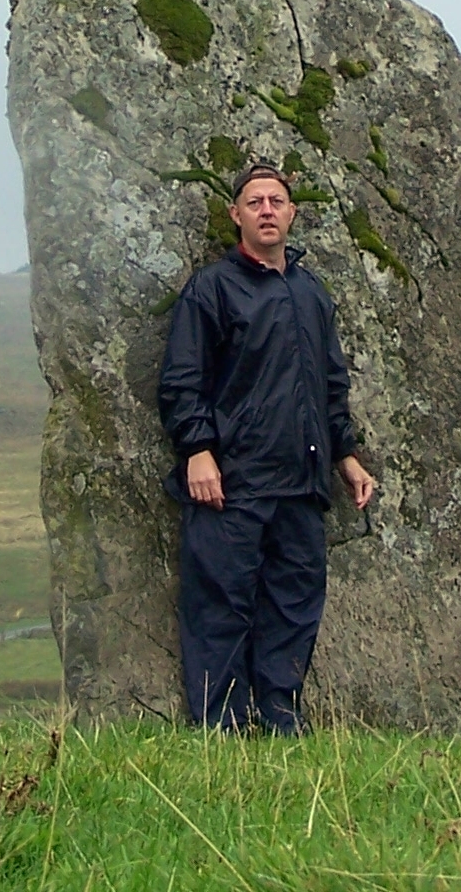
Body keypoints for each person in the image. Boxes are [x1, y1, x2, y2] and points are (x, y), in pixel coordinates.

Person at [158, 161, 376, 733]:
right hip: (232, 483)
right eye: (254, 202)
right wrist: (197, 450)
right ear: (235, 215)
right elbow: (182, 377)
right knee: (221, 607)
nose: (267, 211)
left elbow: (330, 384)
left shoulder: (310, 293)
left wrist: (344, 456)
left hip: (301, 485)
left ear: (292, 212)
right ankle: (221, 730)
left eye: (276, 201)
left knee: (293, 606)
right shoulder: (211, 289)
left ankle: (281, 718)